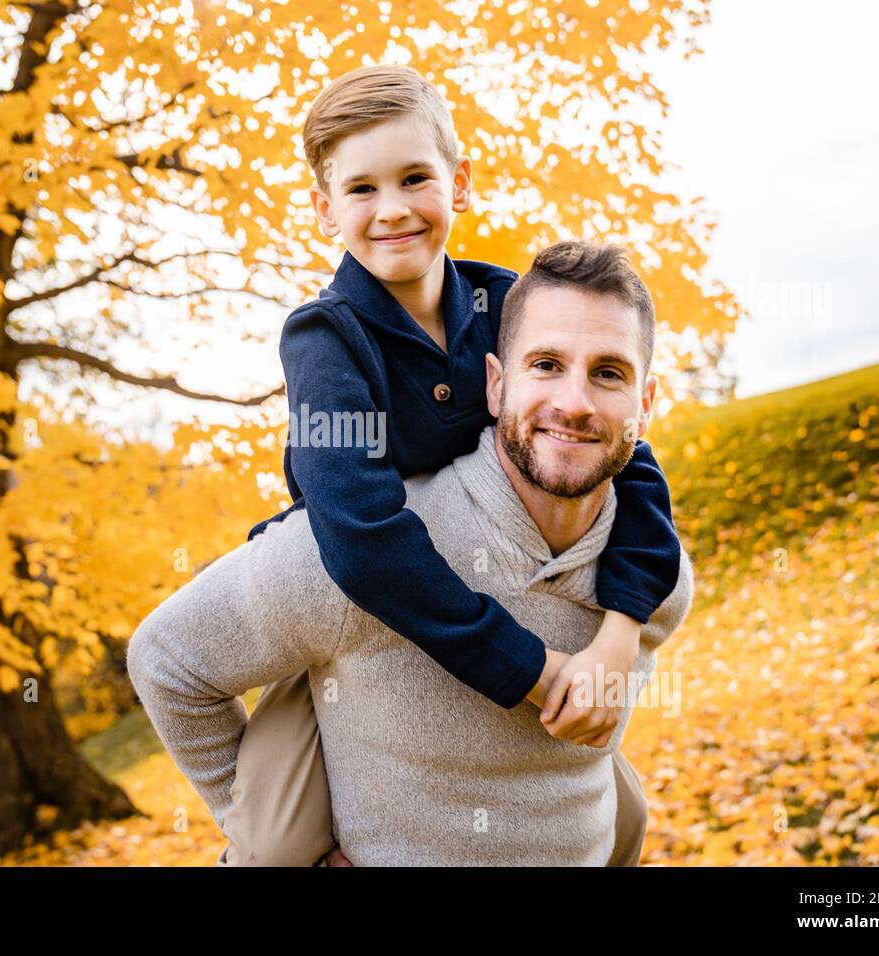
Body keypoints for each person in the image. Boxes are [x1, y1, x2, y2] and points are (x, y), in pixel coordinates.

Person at [223, 65, 680, 865]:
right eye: (360, 189)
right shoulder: (326, 340)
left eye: (414, 178)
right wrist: (529, 670)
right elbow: (363, 537)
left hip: (492, 584)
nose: (393, 208)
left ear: (458, 183)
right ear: (323, 208)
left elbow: (629, 462)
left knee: (623, 818)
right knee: (276, 845)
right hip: (343, 612)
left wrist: (620, 632)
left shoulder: (506, 305)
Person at [127, 249, 695, 865]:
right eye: (546, 364)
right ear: (496, 384)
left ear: (646, 403)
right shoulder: (367, 556)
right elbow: (168, 661)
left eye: (609, 373)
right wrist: (279, 846)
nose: (576, 402)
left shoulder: (654, 583)